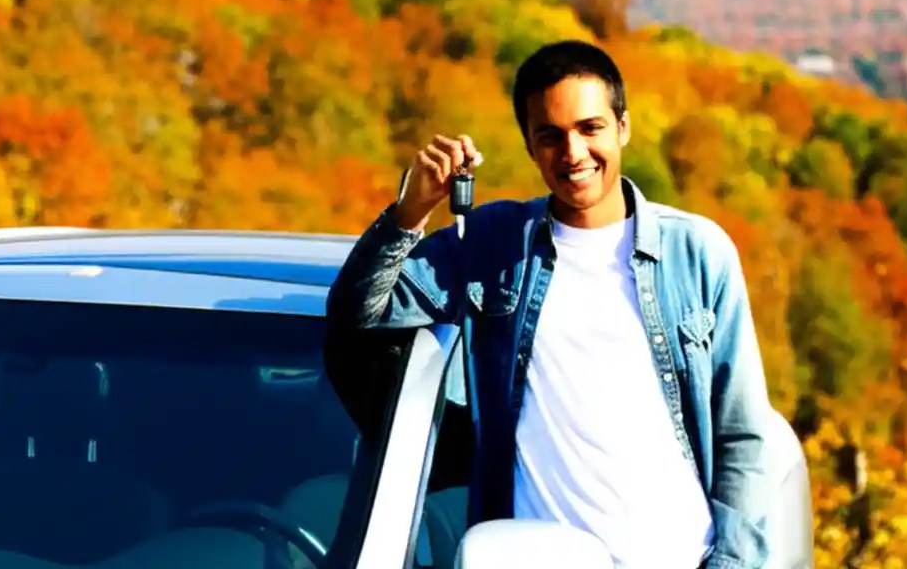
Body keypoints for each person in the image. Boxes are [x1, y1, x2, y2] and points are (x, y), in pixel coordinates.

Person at [325, 40, 774, 568]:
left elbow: (741, 433)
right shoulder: (491, 244)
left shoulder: (697, 254)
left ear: (623, 126)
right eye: (551, 137)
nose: (573, 154)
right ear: (529, 147)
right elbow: (360, 311)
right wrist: (412, 210)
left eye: (590, 129)